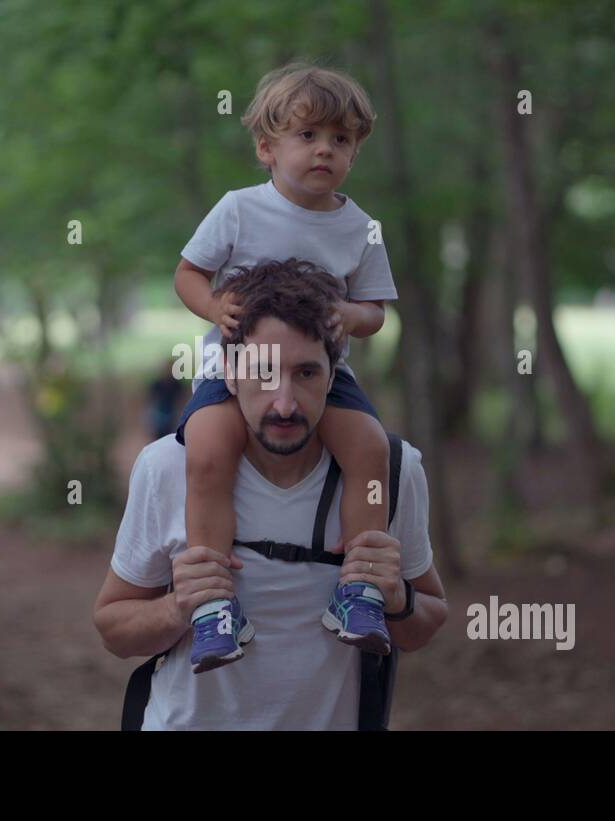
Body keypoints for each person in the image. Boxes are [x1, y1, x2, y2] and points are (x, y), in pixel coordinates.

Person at [93, 261, 447, 730]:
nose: (284, 402)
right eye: (263, 372)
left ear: (333, 375)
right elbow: (114, 628)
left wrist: (396, 597)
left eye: (306, 373)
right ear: (230, 375)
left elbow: (427, 619)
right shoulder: (168, 467)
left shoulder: (392, 471)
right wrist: (176, 606)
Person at [171, 63, 399, 672]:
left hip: (319, 375)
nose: (326, 148)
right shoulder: (239, 210)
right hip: (234, 370)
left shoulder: (360, 227)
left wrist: (348, 315)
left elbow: (376, 312)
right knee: (209, 449)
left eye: (342, 139)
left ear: (355, 151)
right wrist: (214, 305)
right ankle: (214, 604)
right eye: (308, 135)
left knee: (371, 446)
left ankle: (359, 589)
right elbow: (188, 274)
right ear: (267, 148)